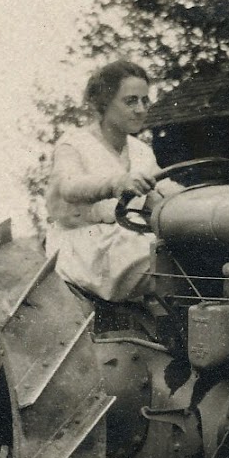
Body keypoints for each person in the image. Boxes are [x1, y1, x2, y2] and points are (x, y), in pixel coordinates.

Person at [45, 59, 167, 303]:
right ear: (103, 103)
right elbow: (70, 187)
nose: (141, 109)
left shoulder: (141, 150)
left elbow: (163, 189)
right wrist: (116, 183)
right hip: (84, 244)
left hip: (129, 237)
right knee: (164, 260)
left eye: (145, 100)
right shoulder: (74, 144)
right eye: (131, 101)